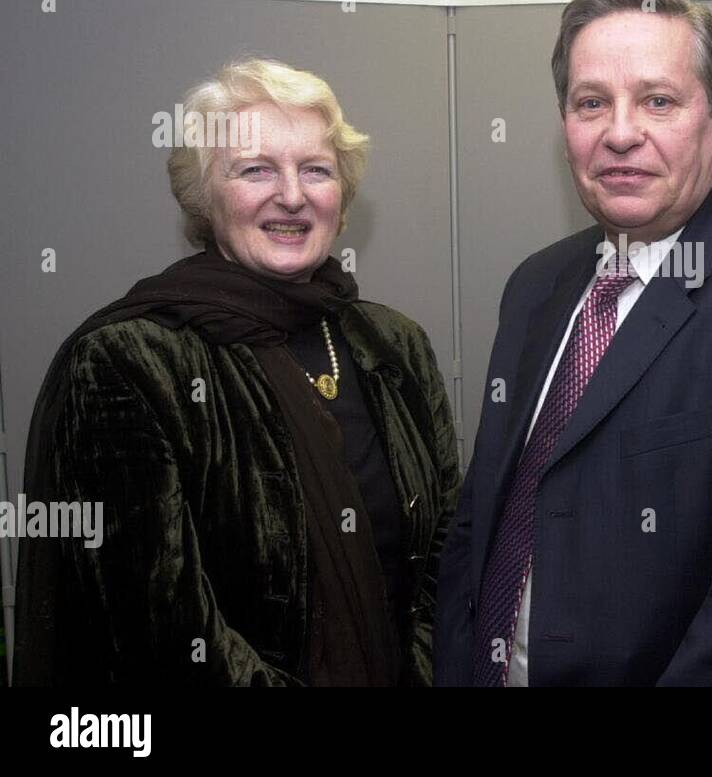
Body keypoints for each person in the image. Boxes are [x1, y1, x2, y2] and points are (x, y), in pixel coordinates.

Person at [435, 0, 712, 686]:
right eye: (591, 102)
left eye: (658, 100)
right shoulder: (534, 286)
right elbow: (480, 523)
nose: (619, 132)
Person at [13, 58, 460, 685]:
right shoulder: (128, 362)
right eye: (255, 170)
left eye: (316, 169)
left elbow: (451, 556)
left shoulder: (392, 345)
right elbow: (161, 634)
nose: (292, 194)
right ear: (205, 198)